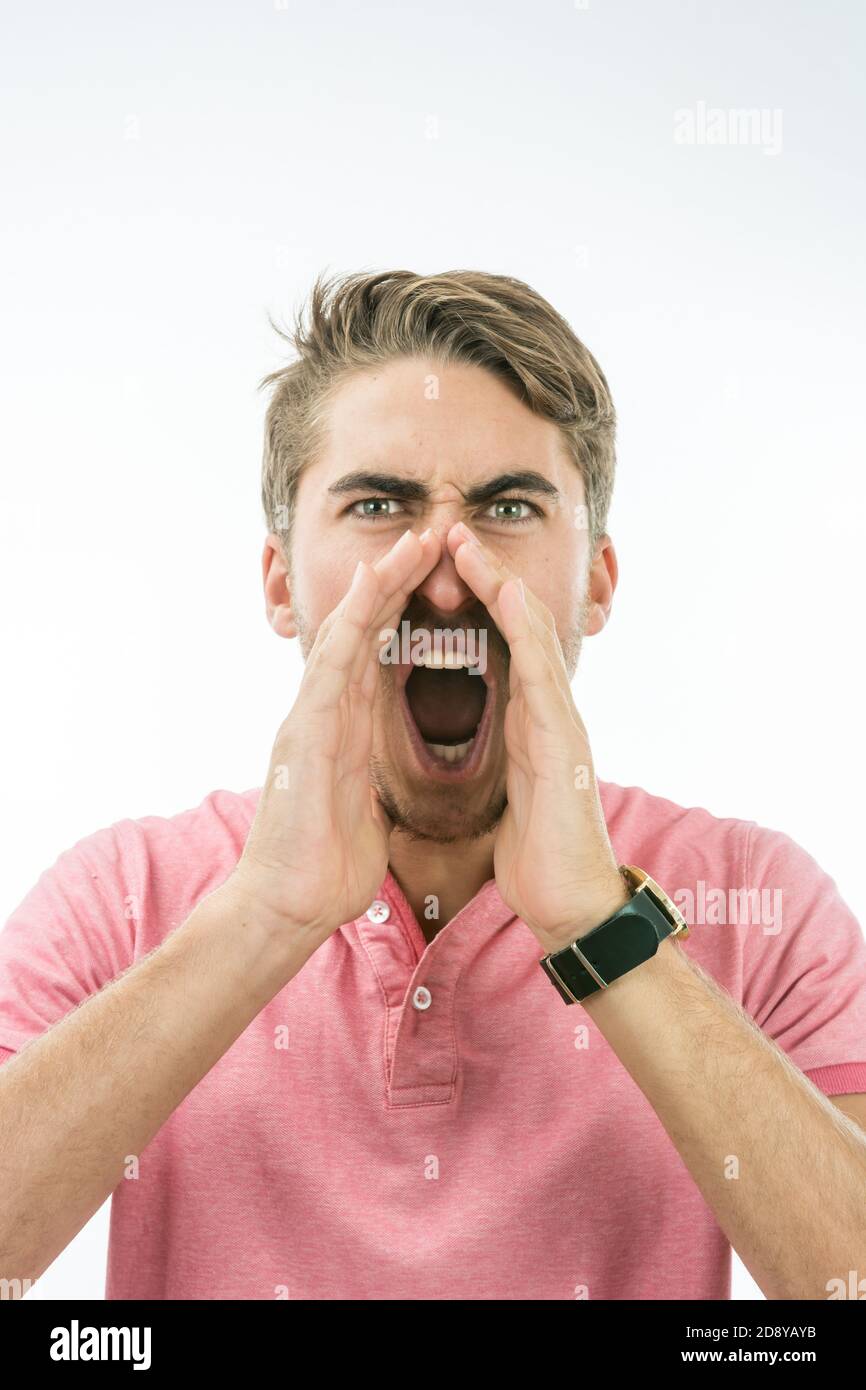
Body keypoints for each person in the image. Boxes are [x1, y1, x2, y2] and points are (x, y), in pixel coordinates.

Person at [1, 269, 865, 1302]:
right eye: (379, 505)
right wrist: (262, 917)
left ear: (594, 582)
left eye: (506, 506)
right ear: (280, 580)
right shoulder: (121, 896)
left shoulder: (750, 899)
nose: (446, 574)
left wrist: (601, 925)